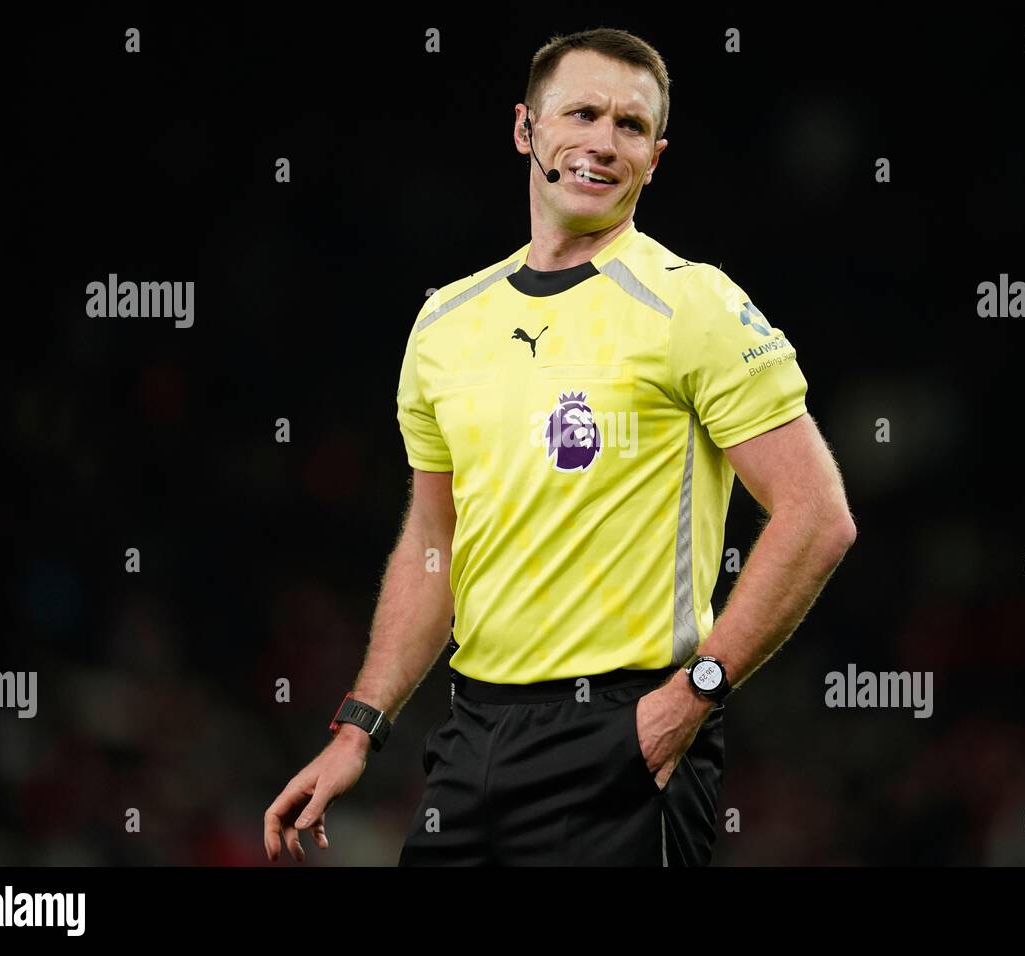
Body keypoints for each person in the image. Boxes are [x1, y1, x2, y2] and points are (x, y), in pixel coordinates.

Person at [264, 26, 856, 867]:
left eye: (630, 125)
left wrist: (692, 697)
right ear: (525, 129)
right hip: (471, 739)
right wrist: (359, 727)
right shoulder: (446, 322)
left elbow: (817, 515)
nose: (604, 142)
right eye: (583, 114)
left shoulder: (695, 305)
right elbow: (435, 541)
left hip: (627, 734)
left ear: (654, 158)